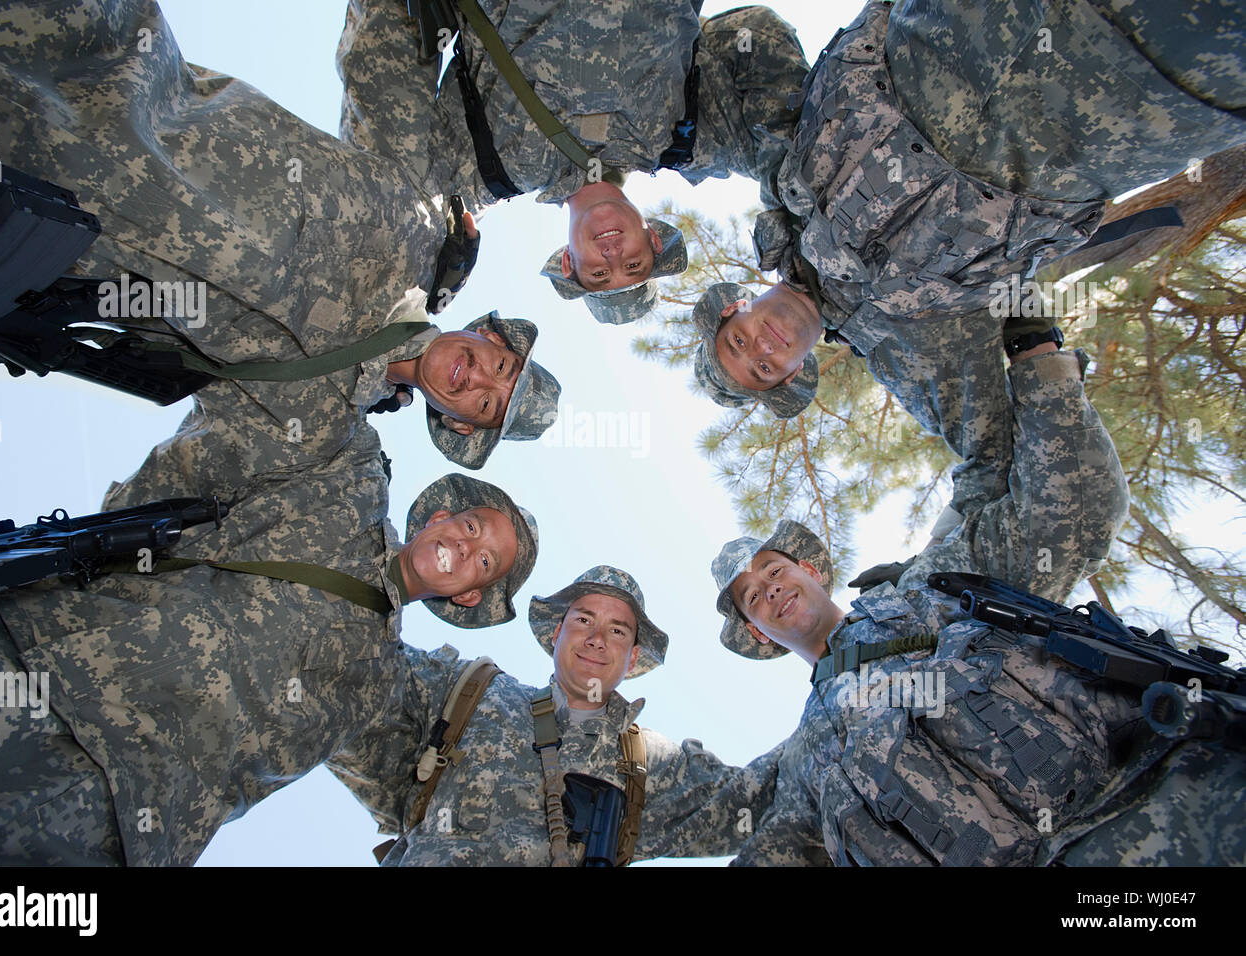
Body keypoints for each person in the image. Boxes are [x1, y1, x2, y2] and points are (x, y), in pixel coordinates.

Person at [0, 371, 540, 866]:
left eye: (485, 561)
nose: (465, 548)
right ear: (438, 518)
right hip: (31, 665)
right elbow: (280, 385)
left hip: (105, 817)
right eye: (471, 526)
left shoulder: (378, 684)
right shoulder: (347, 487)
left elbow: (412, 787)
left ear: (470, 595)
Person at [693, 0, 1246, 529]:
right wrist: (936, 575)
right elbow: (1004, 475)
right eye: (764, 369)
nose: (761, 348)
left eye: (738, 341)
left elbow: (746, 40)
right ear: (795, 373)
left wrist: (676, 145)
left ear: (736, 306)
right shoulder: (918, 352)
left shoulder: (779, 174)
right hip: (1151, 90)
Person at [0, 0, 559, 467]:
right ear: (486, 335)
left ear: (457, 423)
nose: (480, 378)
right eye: (501, 365)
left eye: (486, 403)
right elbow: (386, 55)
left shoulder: (310, 420)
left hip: (15, 225)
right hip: (99, 62)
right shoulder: (422, 229)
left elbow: (189, 495)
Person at [711, 348, 1245, 865]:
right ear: (757, 632)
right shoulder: (806, 762)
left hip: (1189, 794)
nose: (770, 589)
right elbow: (723, 822)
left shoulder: (931, 589)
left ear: (811, 571)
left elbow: (1067, 511)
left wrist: (1038, 358)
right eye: (752, 596)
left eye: (774, 570)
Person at [338, 0, 811, 323]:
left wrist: (427, 272)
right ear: (651, 235)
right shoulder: (685, 136)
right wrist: (789, 205)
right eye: (635, 264)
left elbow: (383, 160)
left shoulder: (490, 170)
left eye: (599, 273)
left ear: (569, 260)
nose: (614, 257)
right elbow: (755, 35)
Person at [327, 566, 781, 865]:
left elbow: (769, 796)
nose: (597, 638)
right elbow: (352, 669)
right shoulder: (469, 692)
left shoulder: (651, 764)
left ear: (632, 658)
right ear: (556, 634)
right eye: (583, 620)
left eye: (617, 630)